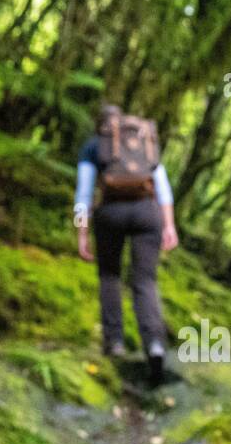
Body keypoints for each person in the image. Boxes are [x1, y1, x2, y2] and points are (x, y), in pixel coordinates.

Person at [74, 104, 179, 385]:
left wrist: (82, 234)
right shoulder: (143, 142)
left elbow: (83, 194)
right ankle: (155, 345)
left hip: (110, 213)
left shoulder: (95, 146)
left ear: (101, 126)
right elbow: (162, 187)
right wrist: (169, 225)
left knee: (109, 275)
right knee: (145, 280)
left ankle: (115, 343)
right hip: (147, 212)